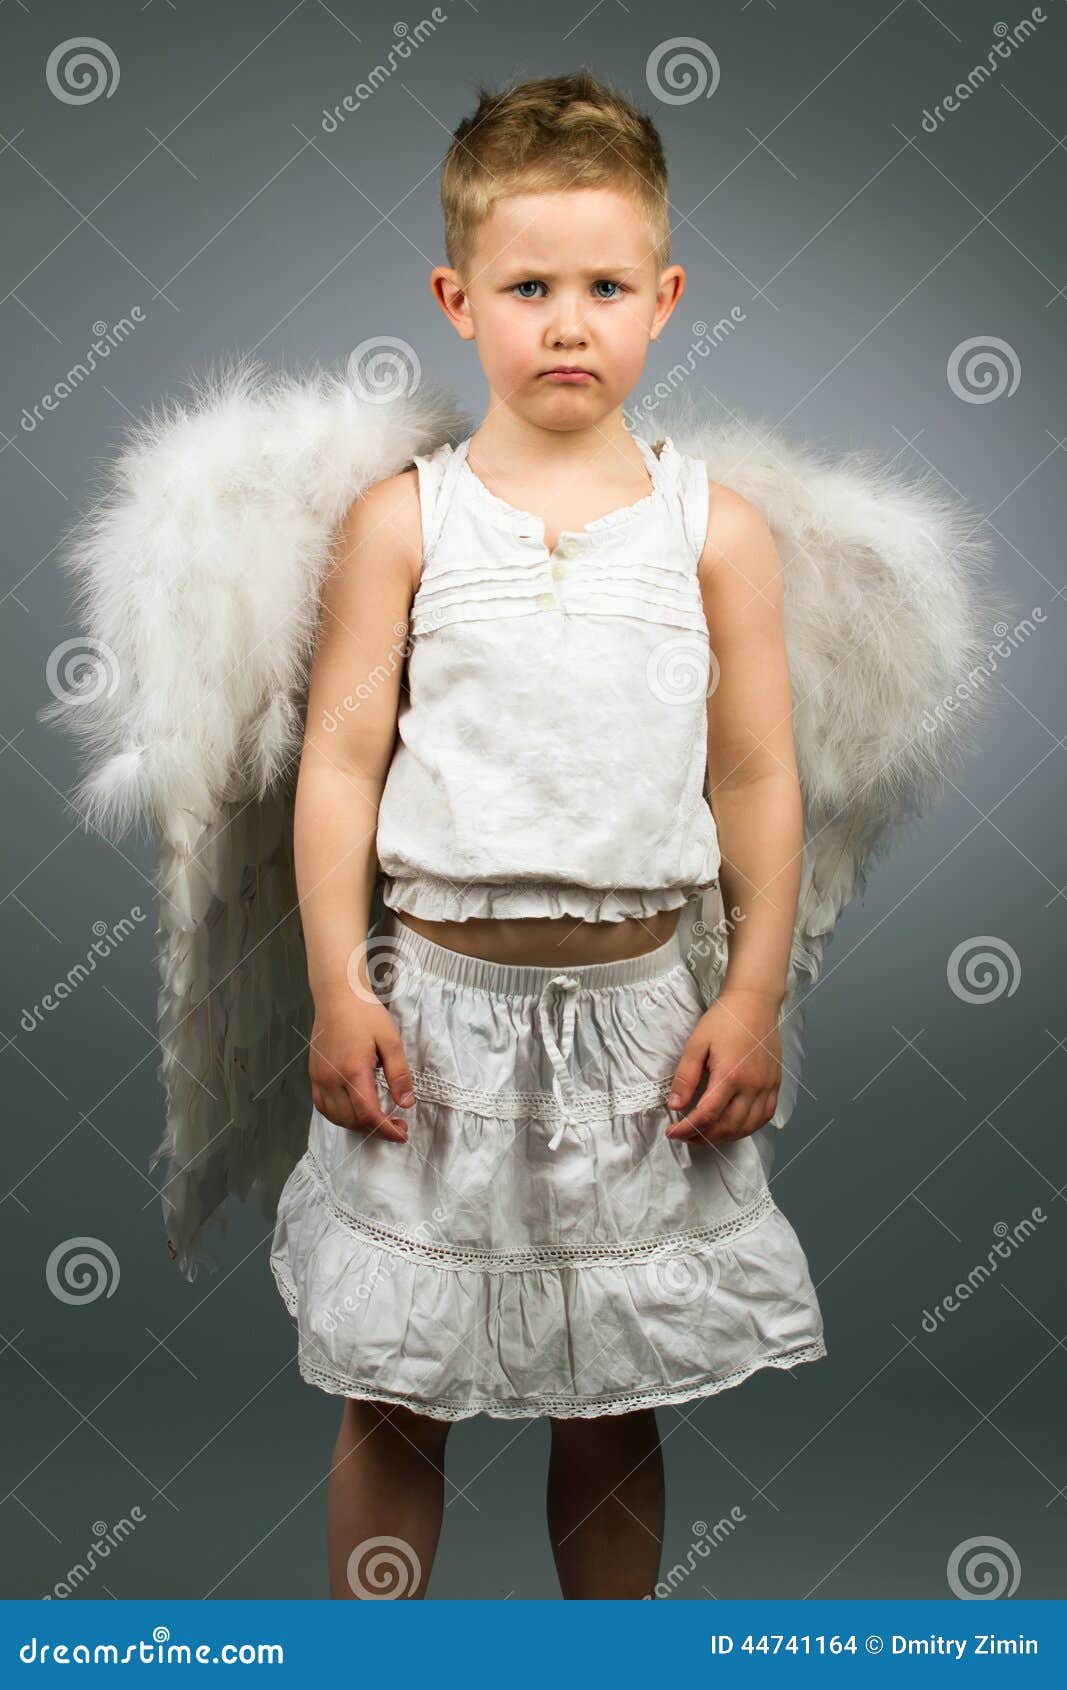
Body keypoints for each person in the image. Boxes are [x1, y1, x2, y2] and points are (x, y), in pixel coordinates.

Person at [268, 69, 826, 1600]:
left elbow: (761, 775)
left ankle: (606, 1658)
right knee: (395, 1380)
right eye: (528, 287)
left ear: (665, 293)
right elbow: (336, 761)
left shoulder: (715, 530)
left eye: (603, 285)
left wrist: (753, 990)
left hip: (640, 1026)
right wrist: (338, 981)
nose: (567, 322)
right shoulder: (406, 520)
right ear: (458, 298)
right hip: (431, 1018)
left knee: (610, 1384)